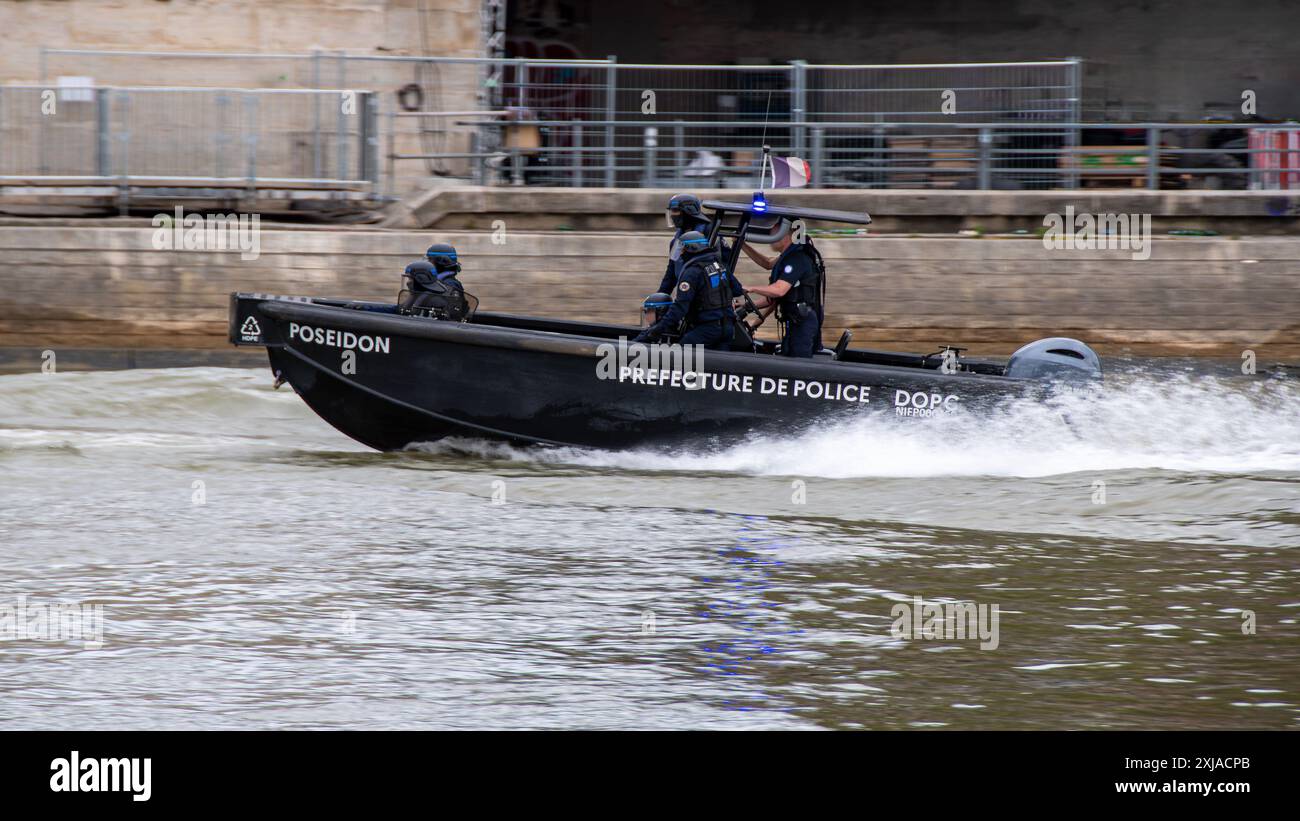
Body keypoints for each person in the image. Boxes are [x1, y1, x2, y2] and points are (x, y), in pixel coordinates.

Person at [634, 231, 743, 350]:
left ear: (692, 248)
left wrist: (657, 330)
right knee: (720, 367)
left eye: (682, 249)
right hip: (728, 329)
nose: (680, 253)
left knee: (677, 356)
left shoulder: (691, 272)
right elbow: (737, 290)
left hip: (707, 330)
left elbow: (680, 307)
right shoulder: (720, 266)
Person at [741, 229, 827, 357]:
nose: (770, 236)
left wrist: (751, 288)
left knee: (798, 365)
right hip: (794, 320)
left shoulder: (797, 259)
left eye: (773, 233)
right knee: (787, 353)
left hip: (802, 323)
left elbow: (779, 290)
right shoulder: (787, 256)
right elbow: (768, 264)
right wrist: (741, 244)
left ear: (786, 236)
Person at [656, 193, 714, 294]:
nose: (672, 215)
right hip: (686, 292)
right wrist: (660, 296)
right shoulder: (676, 240)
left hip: (709, 294)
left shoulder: (710, 233)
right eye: (671, 211)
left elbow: (724, 265)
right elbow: (671, 272)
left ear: (688, 211)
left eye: (675, 211)